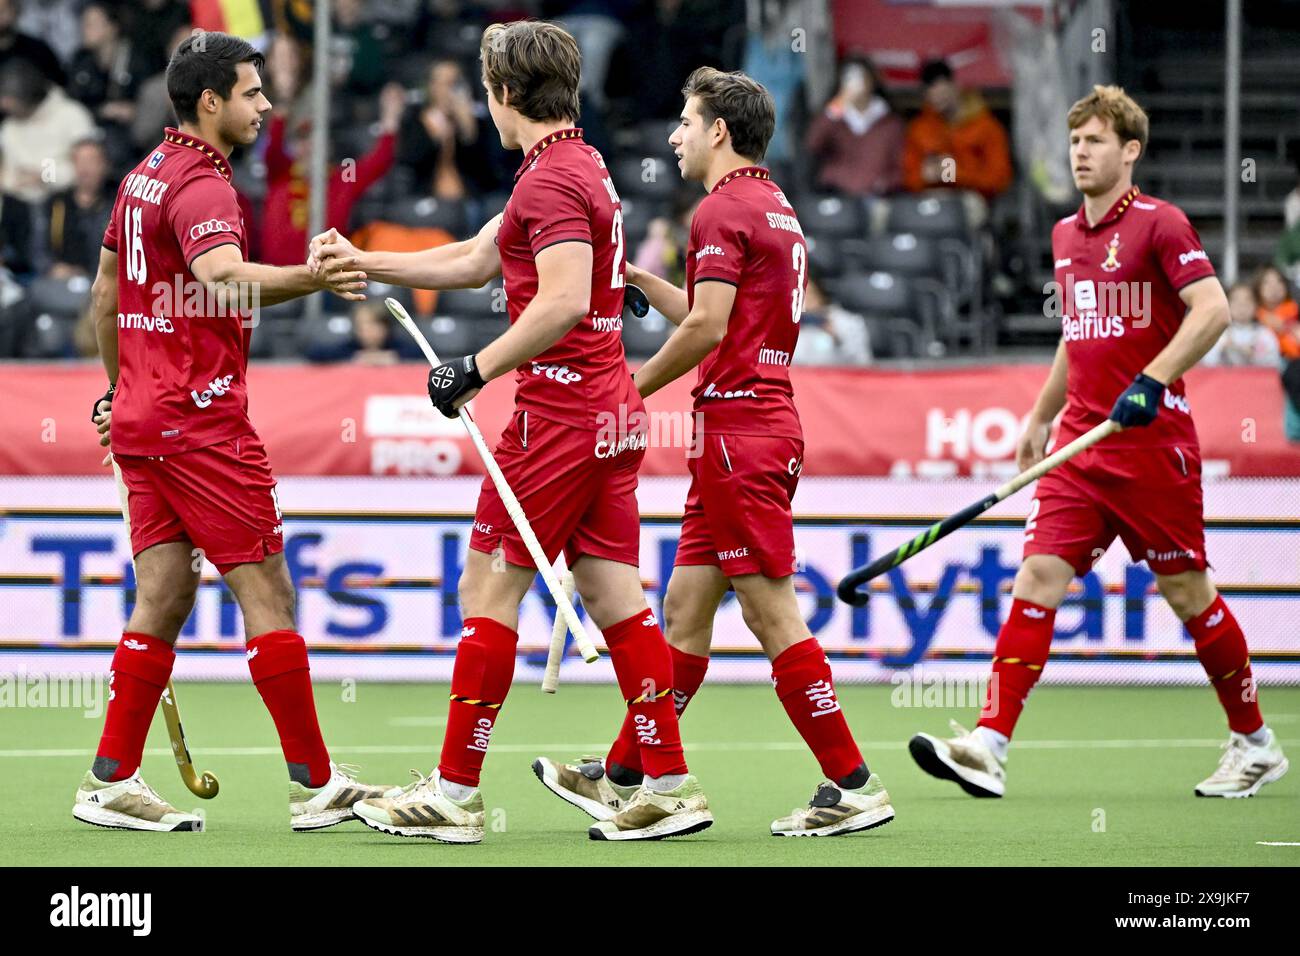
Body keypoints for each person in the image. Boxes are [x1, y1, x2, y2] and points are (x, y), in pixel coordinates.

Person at [310, 20, 712, 844]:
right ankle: (669, 784)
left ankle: (454, 793)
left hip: (559, 418)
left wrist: (475, 368)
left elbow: (561, 299)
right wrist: (365, 260)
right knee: (615, 599)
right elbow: (475, 258)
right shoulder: (577, 163)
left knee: (487, 591)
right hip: (608, 414)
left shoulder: (551, 180)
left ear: (503, 94)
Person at [534, 67, 896, 838]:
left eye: (686, 121)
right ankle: (629, 772)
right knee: (684, 611)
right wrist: (636, 278)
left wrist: (629, 392)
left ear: (719, 132)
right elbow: (716, 317)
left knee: (771, 614)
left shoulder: (719, 209)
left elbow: (703, 333)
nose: (675, 135)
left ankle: (854, 783)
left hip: (741, 431)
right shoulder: (773, 206)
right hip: (749, 424)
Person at [908, 85, 1287, 799]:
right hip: (1082, 447)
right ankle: (989, 745)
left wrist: (1154, 378)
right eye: (1075, 140)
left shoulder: (1161, 225)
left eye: (1096, 141)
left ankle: (1256, 742)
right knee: (1037, 579)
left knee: (1187, 593)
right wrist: (1041, 414)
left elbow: (1211, 313)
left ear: (1130, 150)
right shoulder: (1063, 237)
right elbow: (1075, 336)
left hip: (1151, 448)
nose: (1081, 152)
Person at [73, 31, 394, 833]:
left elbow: (106, 299)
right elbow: (220, 278)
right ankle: (317, 785)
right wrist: (314, 276)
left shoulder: (141, 176)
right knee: (269, 592)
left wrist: (118, 389)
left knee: (165, 593)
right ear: (210, 101)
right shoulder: (205, 187)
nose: (265, 105)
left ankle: (108, 782)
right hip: (200, 422)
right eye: (253, 93)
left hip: (145, 421)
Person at [259, 77, 403, 265]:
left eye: (314, 139)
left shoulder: (343, 177)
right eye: (302, 139)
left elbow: (379, 161)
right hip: (277, 276)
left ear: (327, 146)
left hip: (323, 280)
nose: (309, 146)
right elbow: (273, 146)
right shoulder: (281, 171)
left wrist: (390, 117)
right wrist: (285, 98)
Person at [902, 58, 1012, 200]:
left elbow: (1000, 179)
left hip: (973, 200)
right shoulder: (920, 128)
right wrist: (924, 176)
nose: (937, 97)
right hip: (929, 201)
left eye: (941, 91)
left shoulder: (986, 127)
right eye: (931, 92)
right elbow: (907, 179)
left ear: (955, 85)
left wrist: (956, 174)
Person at [804, 55, 903, 197]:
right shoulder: (835, 116)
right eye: (848, 78)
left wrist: (883, 184)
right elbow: (813, 142)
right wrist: (839, 103)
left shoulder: (891, 124)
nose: (855, 84)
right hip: (837, 196)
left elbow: (900, 167)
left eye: (860, 77)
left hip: (878, 198)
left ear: (871, 81)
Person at [0, 59, 96, 204]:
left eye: (10, 101)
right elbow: (7, 174)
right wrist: (13, 180)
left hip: (65, 206)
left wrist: (43, 176)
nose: (4, 106)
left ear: (29, 99)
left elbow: (89, 171)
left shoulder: (72, 115)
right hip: (16, 208)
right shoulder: (8, 127)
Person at [40, 137, 114, 278]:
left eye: (91, 161)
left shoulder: (119, 204)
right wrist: (51, 267)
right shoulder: (56, 204)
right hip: (60, 280)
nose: (84, 169)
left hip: (104, 280)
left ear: (105, 165)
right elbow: (38, 247)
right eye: (79, 161)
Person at [1203, 283, 1278, 367]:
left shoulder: (1264, 334)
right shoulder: (1220, 334)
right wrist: (1222, 349)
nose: (1241, 306)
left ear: (1256, 306)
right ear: (1227, 305)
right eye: (1236, 301)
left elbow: (1273, 362)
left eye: (1247, 302)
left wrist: (1254, 355)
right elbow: (1207, 362)